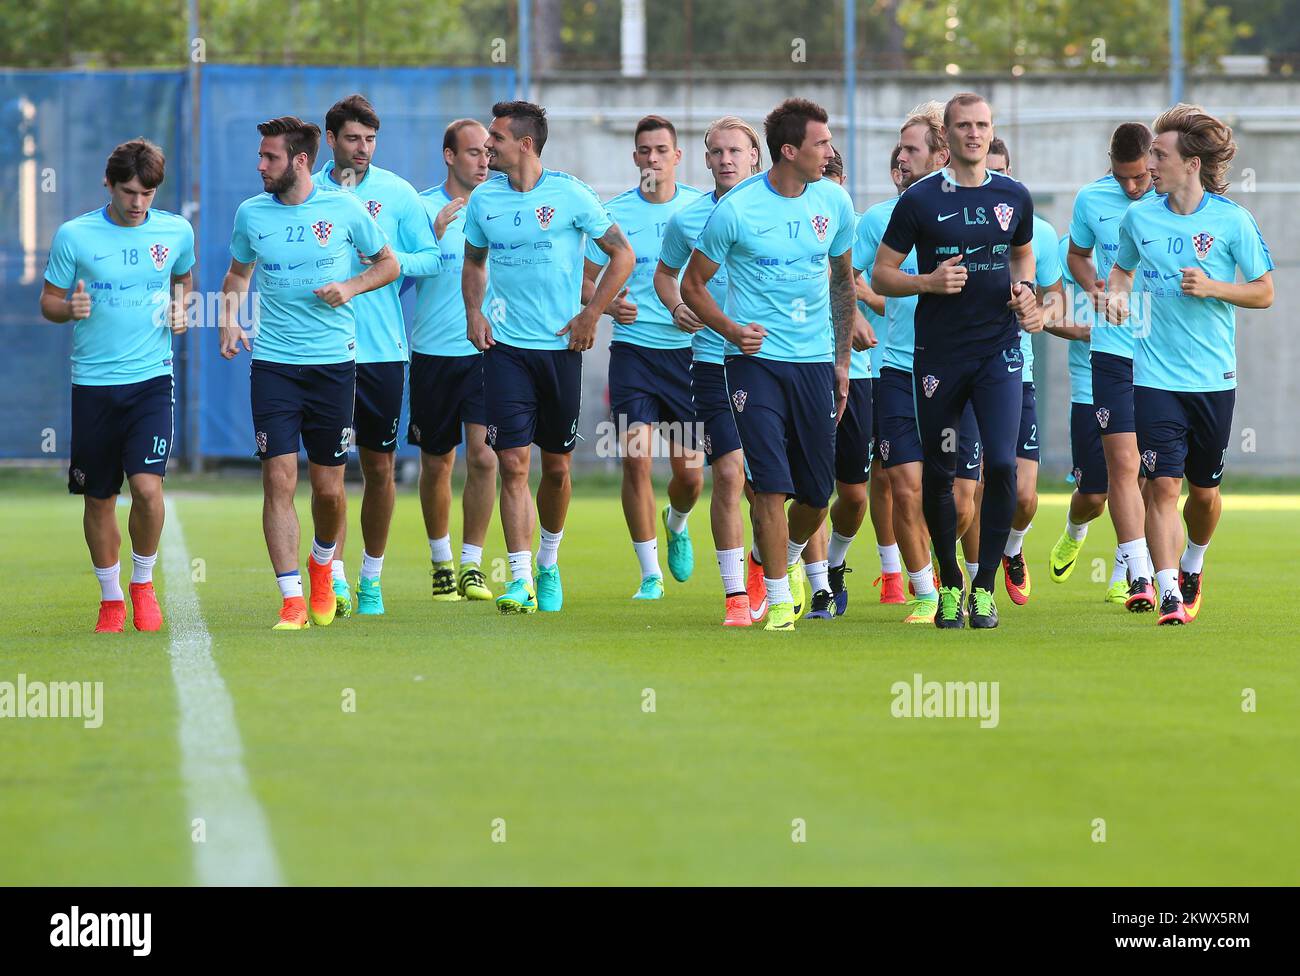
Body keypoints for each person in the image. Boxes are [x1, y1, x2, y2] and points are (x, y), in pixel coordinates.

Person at [682, 97, 858, 633]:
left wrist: (843, 361)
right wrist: (732, 331)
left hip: (814, 364)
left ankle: (767, 556)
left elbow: (843, 284)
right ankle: (780, 599)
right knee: (770, 487)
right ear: (790, 151)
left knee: (816, 495)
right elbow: (691, 284)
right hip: (752, 365)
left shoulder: (835, 202)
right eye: (821, 143)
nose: (830, 152)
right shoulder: (735, 209)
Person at [220, 116, 399, 631]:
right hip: (273, 365)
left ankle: (323, 565)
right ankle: (291, 598)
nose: (260, 165)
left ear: (300, 161)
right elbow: (237, 272)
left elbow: (387, 264)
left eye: (270, 157)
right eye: (260, 155)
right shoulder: (250, 214)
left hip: (333, 366)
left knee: (328, 490)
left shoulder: (343, 209)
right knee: (279, 478)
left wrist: (352, 286)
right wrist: (229, 320)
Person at [873, 92, 1042, 630]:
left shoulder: (1014, 196)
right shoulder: (920, 200)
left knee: (1001, 468)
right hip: (939, 357)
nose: (975, 134)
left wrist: (1028, 290)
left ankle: (984, 586)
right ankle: (949, 583)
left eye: (983, 125)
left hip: (999, 353)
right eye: (965, 126)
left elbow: (1022, 251)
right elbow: (881, 274)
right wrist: (927, 282)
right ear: (947, 135)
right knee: (939, 476)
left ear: (992, 131)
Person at [462, 100, 635, 615]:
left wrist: (591, 316)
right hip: (505, 350)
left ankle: (549, 561)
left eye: (496, 136)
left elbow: (622, 255)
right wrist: (474, 311)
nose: (487, 145)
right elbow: (473, 261)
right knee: (512, 462)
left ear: (525, 144)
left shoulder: (572, 195)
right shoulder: (483, 201)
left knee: (557, 470)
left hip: (561, 349)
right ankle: (520, 580)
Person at [1105, 104, 1273, 624]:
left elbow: (1265, 292)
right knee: (1162, 486)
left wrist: (1213, 288)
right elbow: (1121, 271)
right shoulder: (1140, 217)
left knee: (1204, 494)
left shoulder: (1231, 220)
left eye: (1160, 154)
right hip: (1154, 376)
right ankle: (1169, 589)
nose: (1150, 163)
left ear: (1191, 163)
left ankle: (1194, 562)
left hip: (1213, 379)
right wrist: (1116, 296)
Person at [40, 139, 194, 633]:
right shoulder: (74, 235)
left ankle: (143, 584)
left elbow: (184, 280)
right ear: (108, 184)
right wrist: (70, 309)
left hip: (151, 381)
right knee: (99, 497)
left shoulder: (175, 231)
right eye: (129, 191)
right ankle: (110, 599)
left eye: (147, 193)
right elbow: (48, 300)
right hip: (93, 385)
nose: (138, 203)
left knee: (148, 489)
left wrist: (182, 309)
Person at [315, 94, 441, 616]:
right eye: (352, 139)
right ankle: (334, 579)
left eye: (370, 140)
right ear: (330, 141)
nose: (362, 149)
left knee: (379, 468)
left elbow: (431, 259)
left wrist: (382, 262)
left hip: (384, 352)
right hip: (322, 351)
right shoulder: (309, 193)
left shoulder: (397, 193)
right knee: (329, 471)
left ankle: (371, 578)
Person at [584, 115, 705, 600]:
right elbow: (586, 281)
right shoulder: (614, 215)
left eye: (661, 150)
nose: (652, 158)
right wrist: (608, 303)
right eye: (644, 150)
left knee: (691, 476)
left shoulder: (702, 209)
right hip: (634, 353)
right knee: (636, 461)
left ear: (677, 157)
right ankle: (649, 574)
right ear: (635, 158)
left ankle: (677, 523)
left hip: (690, 356)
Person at [653, 115, 764, 625]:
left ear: (754, 157)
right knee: (727, 472)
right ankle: (735, 595)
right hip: (711, 362)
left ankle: (770, 569)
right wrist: (676, 306)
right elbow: (664, 273)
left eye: (734, 152)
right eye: (716, 152)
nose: (725, 160)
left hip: (770, 363)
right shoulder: (687, 220)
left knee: (772, 485)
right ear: (705, 159)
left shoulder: (774, 209)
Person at [1066, 122, 1159, 611]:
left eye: (1140, 176)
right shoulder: (1090, 200)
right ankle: (1139, 576)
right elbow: (1077, 256)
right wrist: (1094, 288)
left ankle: (1138, 566)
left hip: (1166, 357)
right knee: (1119, 466)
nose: (1131, 187)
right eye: (1123, 177)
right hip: (1111, 348)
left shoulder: (1173, 203)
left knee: (1155, 473)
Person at [409, 118, 498, 602]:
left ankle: (472, 565)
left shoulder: (503, 204)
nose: (484, 161)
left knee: (485, 456)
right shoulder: (421, 208)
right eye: (472, 153)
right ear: (449, 156)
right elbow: (394, 275)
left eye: (488, 151)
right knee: (438, 462)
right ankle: (441, 562)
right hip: (432, 353)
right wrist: (429, 237)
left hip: (486, 350)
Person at [803, 147, 878, 620]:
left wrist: (856, 319)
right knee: (809, 488)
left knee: (853, 494)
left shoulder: (853, 224)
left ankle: (835, 562)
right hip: (806, 367)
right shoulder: (797, 226)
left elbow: (859, 281)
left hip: (859, 375)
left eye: (835, 177)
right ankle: (811, 584)